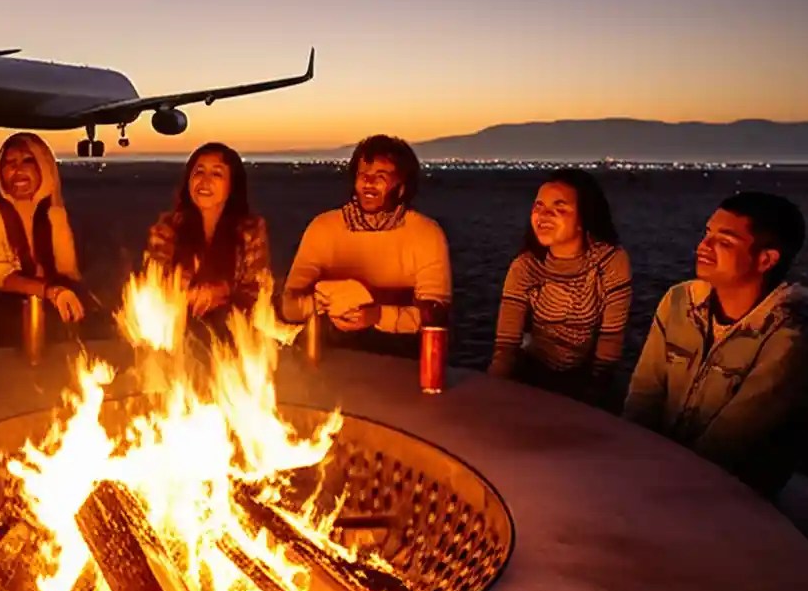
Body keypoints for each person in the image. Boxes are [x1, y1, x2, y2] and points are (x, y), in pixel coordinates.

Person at [624, 191, 808, 499]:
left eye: (724, 241)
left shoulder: (789, 335)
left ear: (766, 259)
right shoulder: (680, 301)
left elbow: (731, 440)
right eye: (707, 234)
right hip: (655, 470)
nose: (703, 247)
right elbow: (644, 394)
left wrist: (663, 486)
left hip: (733, 495)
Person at [281, 135, 451, 355]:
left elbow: (436, 314)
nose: (369, 183)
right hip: (329, 356)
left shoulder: (426, 233)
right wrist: (318, 304)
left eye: (381, 176)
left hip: (401, 360)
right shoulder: (324, 228)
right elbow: (288, 305)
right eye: (363, 175)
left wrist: (378, 315)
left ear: (402, 186)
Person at [487, 169, 632, 408]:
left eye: (559, 208)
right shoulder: (525, 267)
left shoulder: (610, 262)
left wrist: (591, 398)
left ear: (583, 218)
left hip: (590, 381)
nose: (544, 215)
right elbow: (506, 346)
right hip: (533, 377)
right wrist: (491, 392)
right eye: (538, 206)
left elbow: (610, 342)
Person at [0, 132, 91, 345]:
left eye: (27, 161)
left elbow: (67, 271)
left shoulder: (54, 214)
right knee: (19, 320)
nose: (18, 169)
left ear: (43, 168)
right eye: (10, 162)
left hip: (47, 296)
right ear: (0, 171)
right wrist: (50, 292)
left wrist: (71, 295)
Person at [144, 142, 271, 324]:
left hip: (235, 331)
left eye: (217, 173)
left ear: (232, 184)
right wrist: (187, 294)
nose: (205, 181)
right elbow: (155, 281)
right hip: (176, 327)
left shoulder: (250, 230)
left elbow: (258, 287)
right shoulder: (167, 227)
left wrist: (222, 291)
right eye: (199, 172)